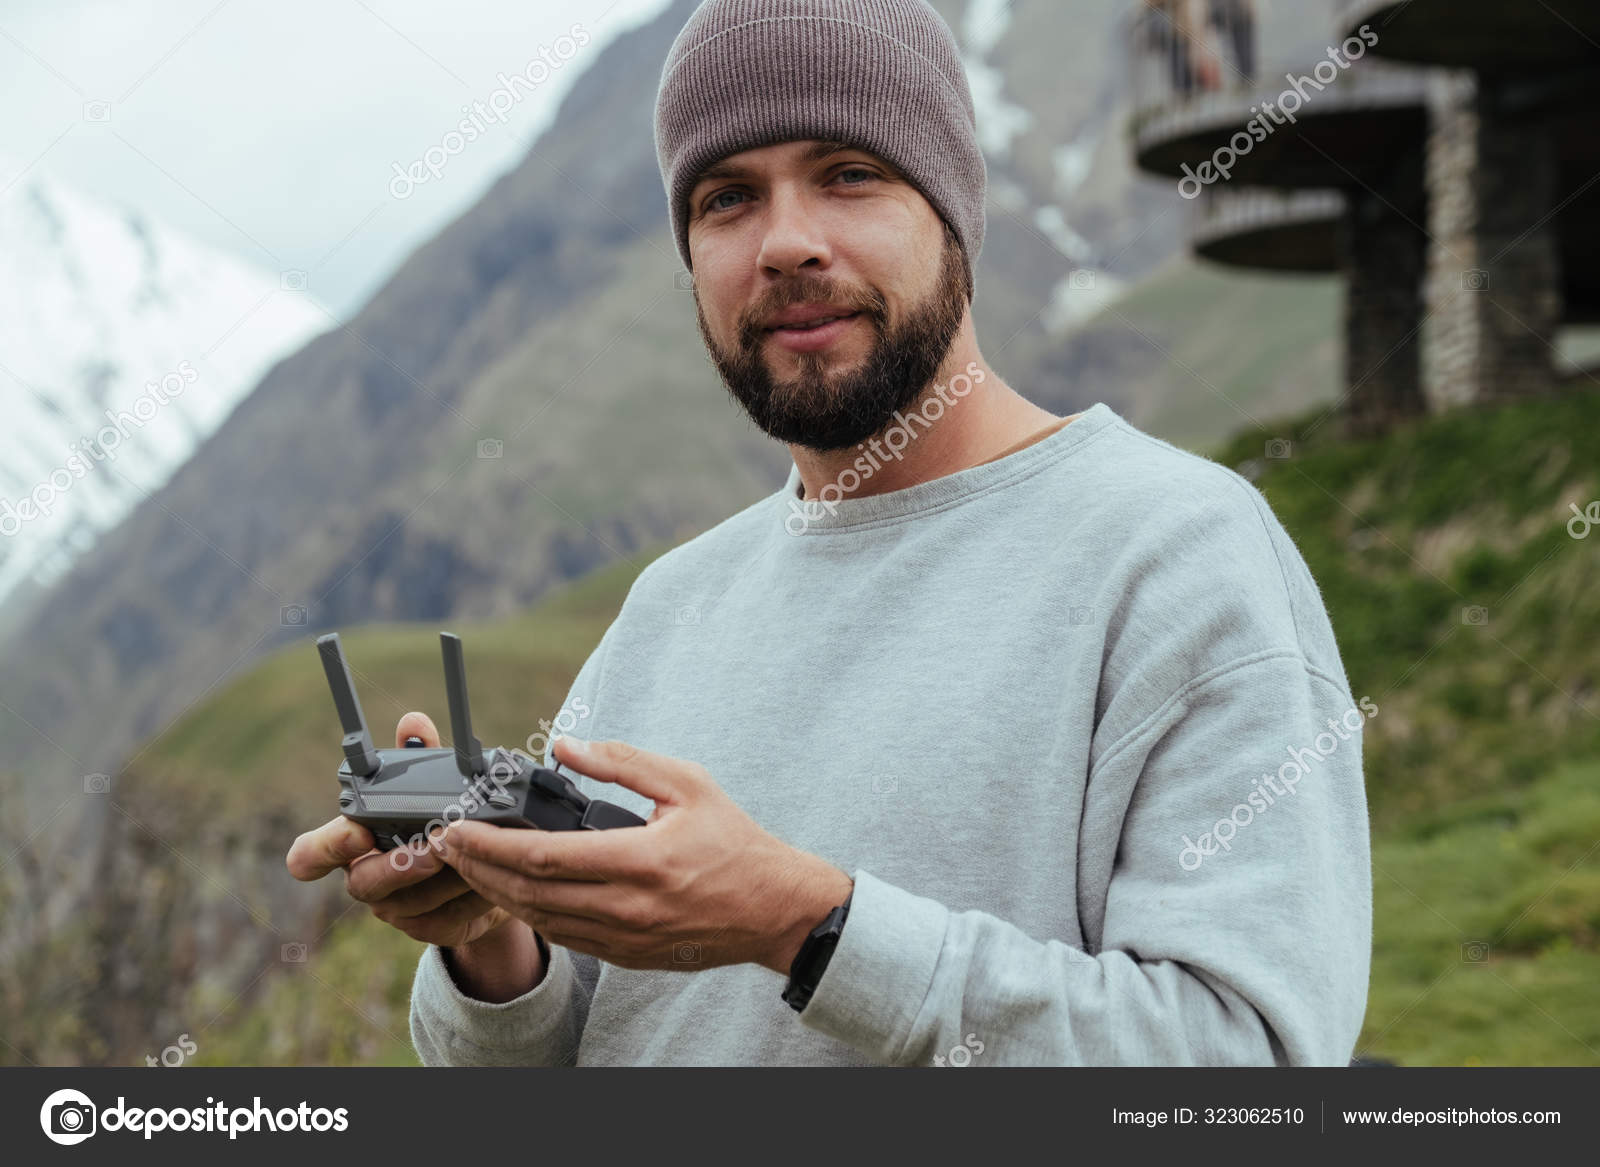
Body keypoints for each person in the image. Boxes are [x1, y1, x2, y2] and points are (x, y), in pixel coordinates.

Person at [287, 0, 1371, 1067]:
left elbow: (1249, 1063)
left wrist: (805, 926)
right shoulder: (674, 605)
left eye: (849, 174)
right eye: (726, 199)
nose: (786, 243)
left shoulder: (1177, 551)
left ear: (952, 214)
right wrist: (492, 943)